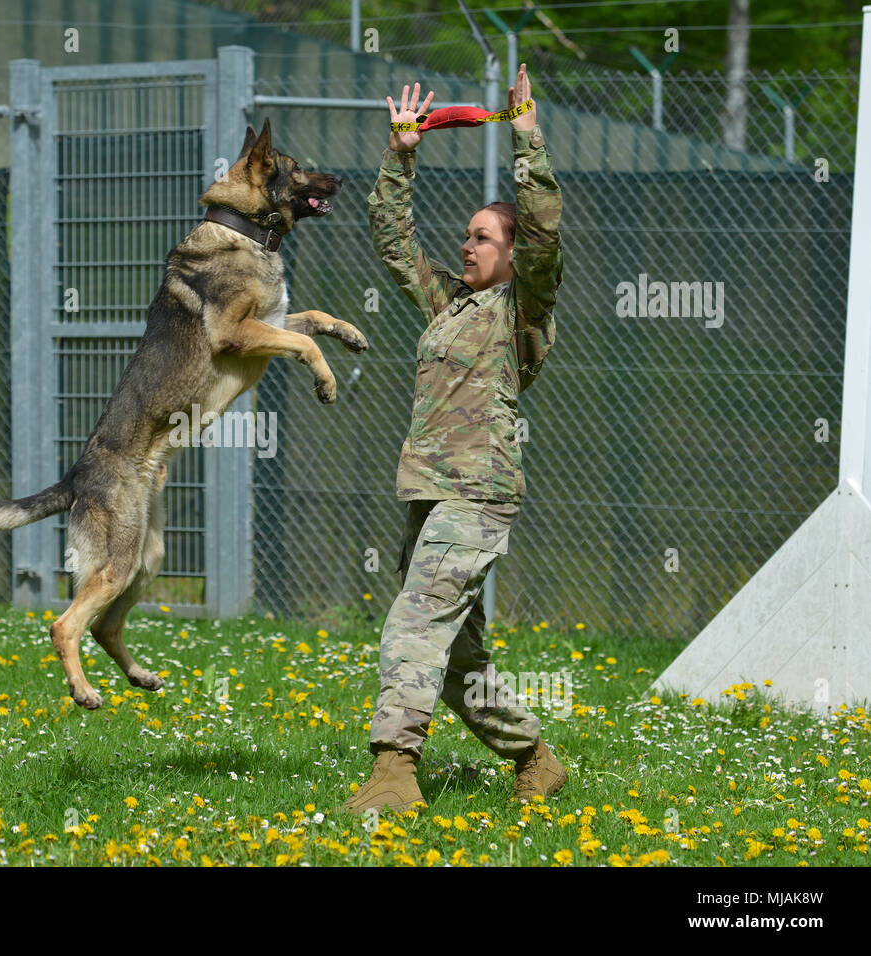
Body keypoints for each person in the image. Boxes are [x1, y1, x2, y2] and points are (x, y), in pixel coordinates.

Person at [340, 65, 566, 813]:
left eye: (480, 237)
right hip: (430, 491)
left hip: (479, 494)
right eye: (465, 235)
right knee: (457, 650)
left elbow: (542, 230)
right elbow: (393, 238)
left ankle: (394, 773)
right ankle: (533, 757)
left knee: (413, 622)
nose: (465, 246)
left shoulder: (519, 308)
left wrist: (527, 138)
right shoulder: (451, 305)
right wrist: (402, 151)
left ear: (510, 253)